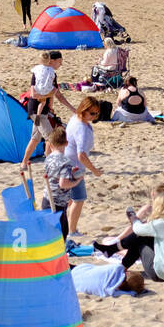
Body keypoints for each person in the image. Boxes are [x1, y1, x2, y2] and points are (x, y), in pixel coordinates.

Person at [93, 184, 164, 282]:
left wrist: (133, 218)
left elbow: (137, 230)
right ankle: (113, 253)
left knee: (139, 240)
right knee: (144, 237)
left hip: (163, 275)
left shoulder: (160, 224)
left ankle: (114, 254)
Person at [19, 50, 78, 168]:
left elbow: (56, 94)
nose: (60, 64)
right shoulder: (43, 73)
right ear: (52, 61)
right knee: (51, 137)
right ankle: (50, 164)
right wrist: (48, 96)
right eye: (59, 62)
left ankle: (24, 163)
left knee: (35, 138)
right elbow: (34, 94)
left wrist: (71, 109)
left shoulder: (47, 74)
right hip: (36, 111)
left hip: (38, 110)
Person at [64, 97, 105, 236]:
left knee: (68, 200)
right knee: (78, 199)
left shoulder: (75, 118)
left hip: (67, 164)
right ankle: (72, 231)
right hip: (74, 168)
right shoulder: (81, 128)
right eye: (92, 113)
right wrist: (95, 171)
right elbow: (81, 155)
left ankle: (61, 226)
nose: (95, 116)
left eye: (97, 113)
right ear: (83, 110)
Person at [38, 128, 80, 240]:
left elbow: (53, 176)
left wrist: (70, 173)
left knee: (49, 232)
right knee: (61, 233)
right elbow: (63, 184)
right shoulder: (66, 162)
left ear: (50, 144)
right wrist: (76, 181)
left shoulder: (48, 158)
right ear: (66, 143)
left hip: (47, 198)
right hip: (58, 202)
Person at [70, 261, 146, 297]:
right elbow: (129, 293)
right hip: (73, 284)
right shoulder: (110, 290)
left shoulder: (117, 269)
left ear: (127, 273)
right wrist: (131, 292)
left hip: (78, 270)